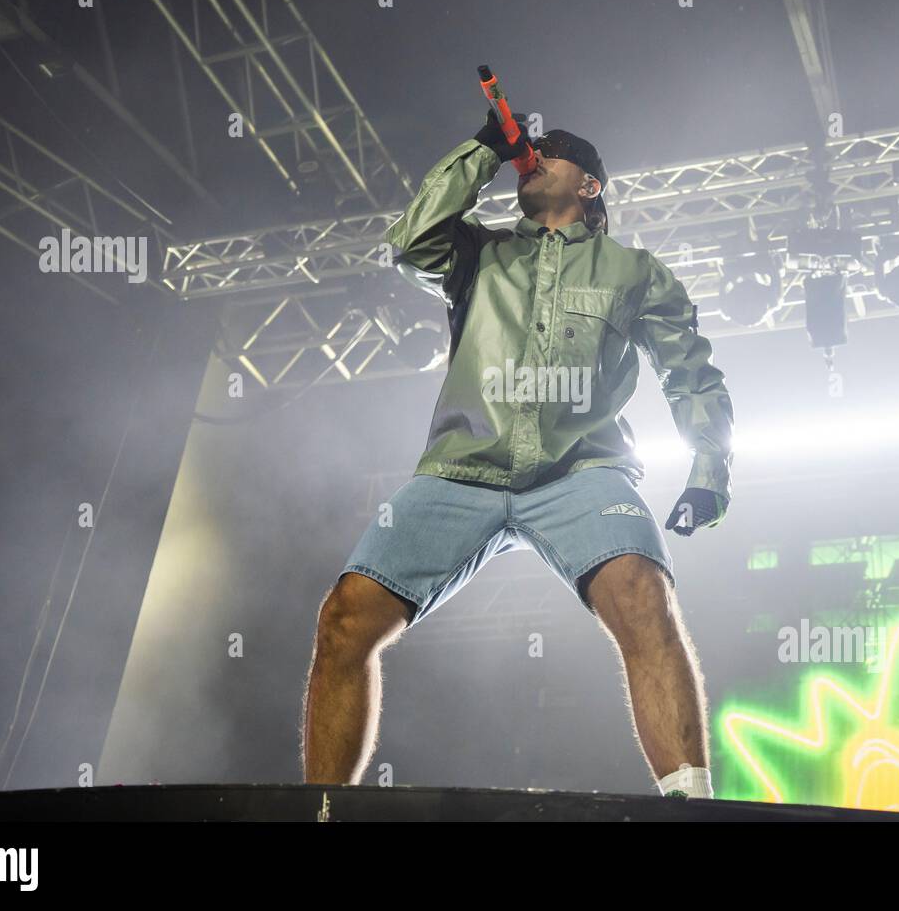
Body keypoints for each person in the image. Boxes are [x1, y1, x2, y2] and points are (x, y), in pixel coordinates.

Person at [302, 109, 735, 799]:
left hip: (583, 472)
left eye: (550, 151)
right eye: (525, 150)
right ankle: (322, 812)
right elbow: (410, 241)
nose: (532, 155)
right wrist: (481, 149)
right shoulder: (477, 254)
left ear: (590, 185)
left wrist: (709, 468)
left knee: (643, 595)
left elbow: (691, 374)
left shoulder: (634, 272)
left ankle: (691, 806)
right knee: (344, 617)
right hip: (459, 473)